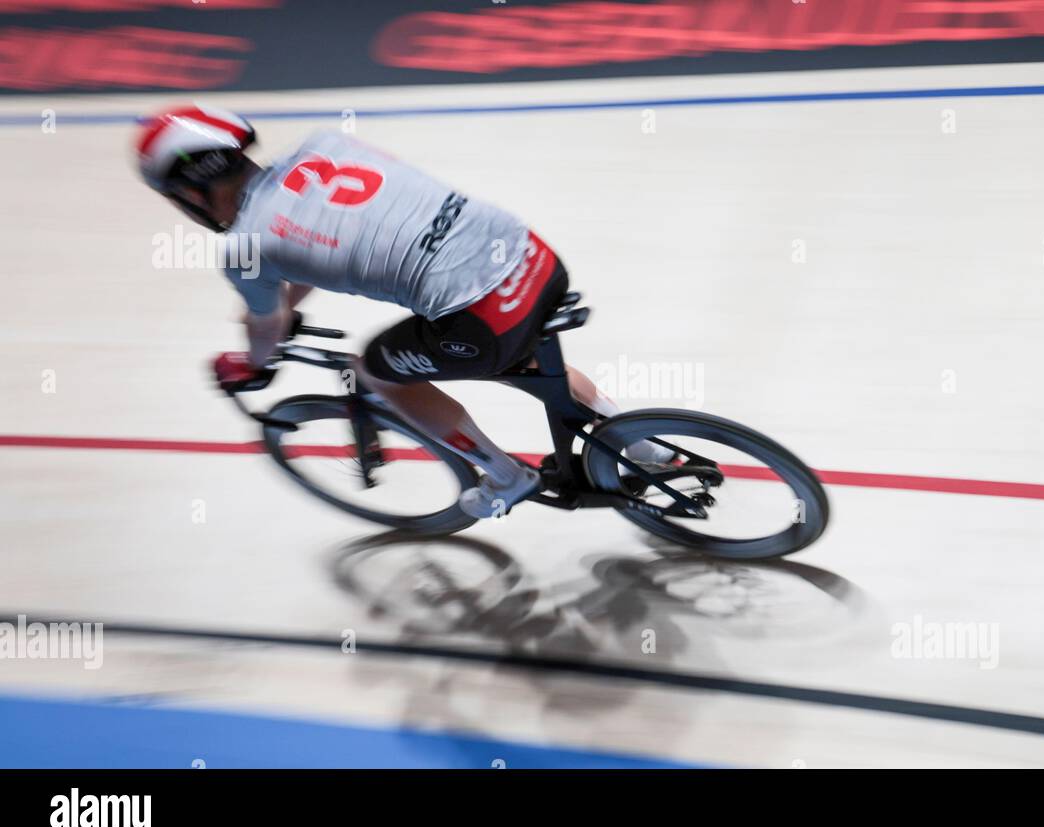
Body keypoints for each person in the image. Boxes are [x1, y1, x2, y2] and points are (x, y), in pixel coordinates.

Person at [136, 103, 666, 518]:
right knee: (516, 352)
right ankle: (640, 444)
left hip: (480, 315)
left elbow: (267, 322)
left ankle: (506, 478)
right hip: (533, 258)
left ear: (191, 191)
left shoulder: (244, 248)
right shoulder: (326, 145)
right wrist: (277, 306)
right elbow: (324, 245)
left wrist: (254, 362)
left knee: (379, 370)